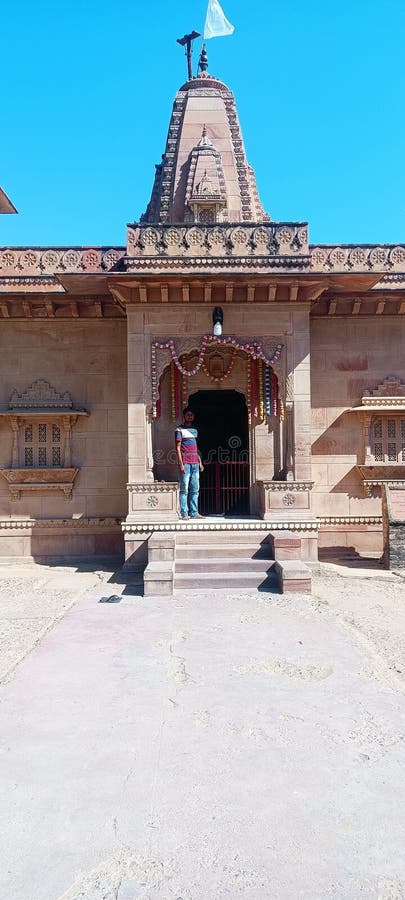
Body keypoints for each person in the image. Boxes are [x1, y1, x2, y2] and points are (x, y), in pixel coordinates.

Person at [175, 407, 205, 520]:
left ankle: (194, 512)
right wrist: (181, 464)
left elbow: (196, 448)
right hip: (186, 463)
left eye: (191, 415)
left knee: (195, 489)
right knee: (184, 490)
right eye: (188, 415)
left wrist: (200, 462)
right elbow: (177, 448)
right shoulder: (179, 430)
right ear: (184, 416)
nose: (190, 417)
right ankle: (184, 513)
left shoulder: (195, 430)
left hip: (195, 464)